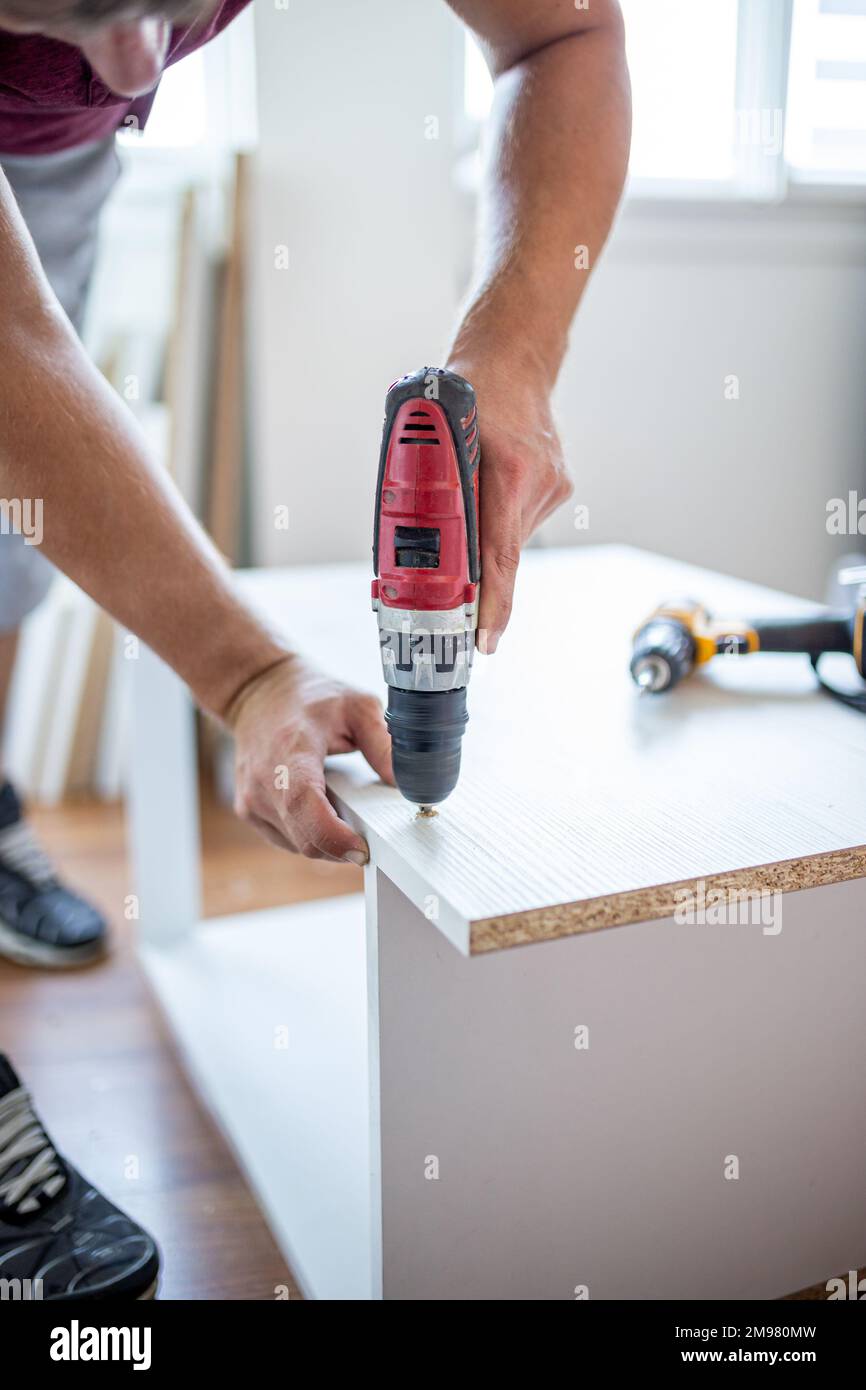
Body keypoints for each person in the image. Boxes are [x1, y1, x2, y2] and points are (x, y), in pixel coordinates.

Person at [0, 0, 630, 1298]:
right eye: (62, 9)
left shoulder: (93, 74)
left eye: (172, 2)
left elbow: (564, 36)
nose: (141, 68)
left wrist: (513, 345)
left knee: (12, 534)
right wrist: (242, 669)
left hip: (42, 149)